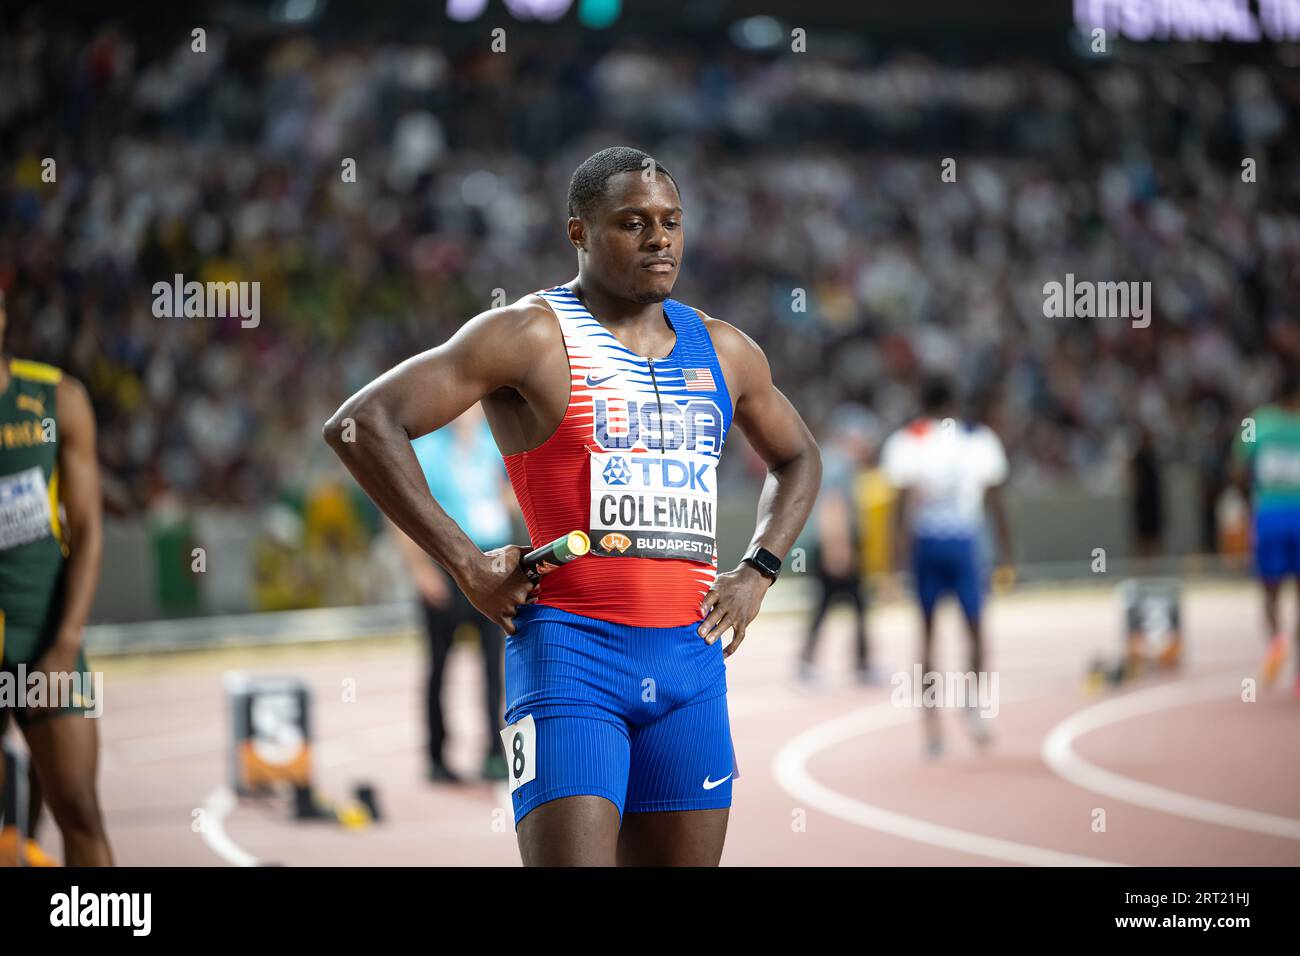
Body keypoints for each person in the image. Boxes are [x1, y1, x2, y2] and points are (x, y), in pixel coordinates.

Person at [325, 146, 820, 866]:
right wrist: (464, 562)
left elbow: (799, 455)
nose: (659, 239)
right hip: (570, 660)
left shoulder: (726, 350)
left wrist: (759, 568)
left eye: (671, 222)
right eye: (633, 223)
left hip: (691, 665)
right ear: (579, 233)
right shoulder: (529, 335)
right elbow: (360, 423)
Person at [0, 288, 112, 865]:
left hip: (43, 640)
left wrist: (65, 643)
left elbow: (88, 529)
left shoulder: (55, 399)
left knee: (79, 809)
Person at [882, 377, 1011, 757]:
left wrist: (892, 562)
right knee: (975, 629)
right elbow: (996, 500)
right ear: (955, 400)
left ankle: (932, 730)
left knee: (926, 636)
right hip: (965, 543)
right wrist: (1007, 553)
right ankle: (973, 705)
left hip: (927, 544)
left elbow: (900, 505)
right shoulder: (978, 438)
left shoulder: (908, 439)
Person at [395, 405, 513, 782]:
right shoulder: (428, 450)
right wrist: (420, 570)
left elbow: (506, 496)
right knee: (440, 666)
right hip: (445, 567)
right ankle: (436, 757)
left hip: (490, 562)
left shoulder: (492, 446)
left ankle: (494, 753)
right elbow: (402, 511)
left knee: (495, 665)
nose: (469, 413)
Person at [1231, 365, 1300, 695]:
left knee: (1269, 590)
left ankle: (1276, 640)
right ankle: (1299, 674)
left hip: (1269, 515)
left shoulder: (1257, 422)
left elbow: (1238, 469)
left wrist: (1250, 500)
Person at [799, 405, 879, 685]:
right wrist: (839, 548)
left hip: (829, 544)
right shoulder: (841, 463)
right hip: (836, 545)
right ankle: (860, 663)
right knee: (851, 604)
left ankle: (811, 662)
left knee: (830, 604)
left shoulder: (828, 459)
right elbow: (833, 506)